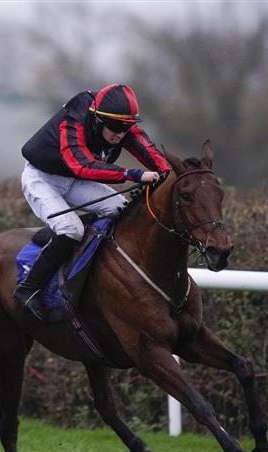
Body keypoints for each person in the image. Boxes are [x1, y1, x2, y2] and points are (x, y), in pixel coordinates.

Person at [14, 84, 171, 320]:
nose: (120, 133)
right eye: (116, 127)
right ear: (97, 119)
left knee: (121, 209)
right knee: (71, 229)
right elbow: (81, 165)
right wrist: (133, 175)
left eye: (127, 127)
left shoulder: (118, 124)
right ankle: (29, 287)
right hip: (42, 179)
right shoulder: (75, 118)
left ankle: (103, 273)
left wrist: (170, 174)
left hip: (74, 181)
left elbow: (149, 152)